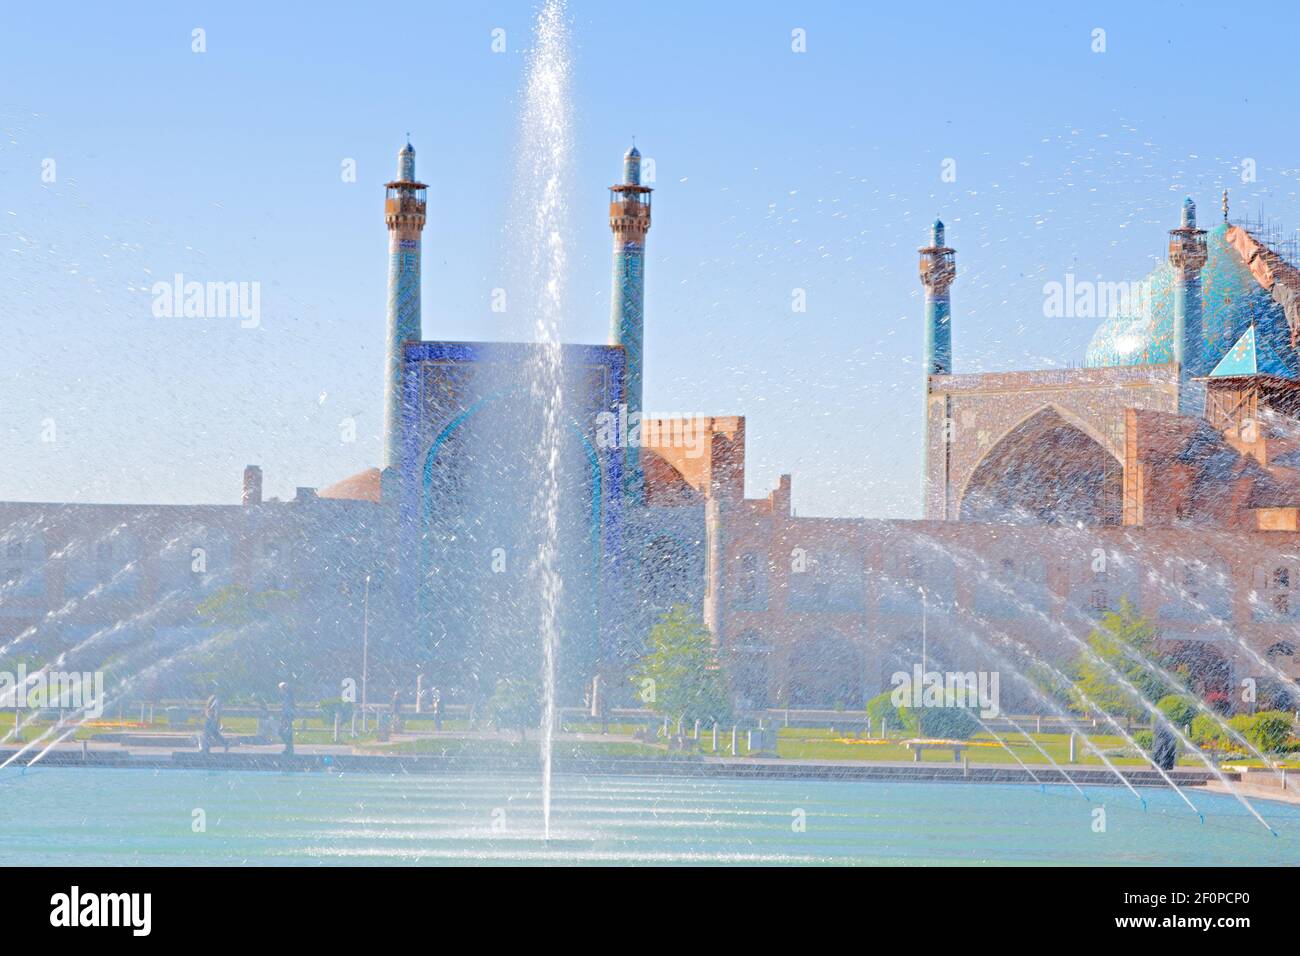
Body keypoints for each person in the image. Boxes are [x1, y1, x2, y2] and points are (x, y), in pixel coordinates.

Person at [278, 681, 295, 755]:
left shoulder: (287, 698)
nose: (280, 691)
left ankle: (289, 748)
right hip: (288, 717)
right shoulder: (288, 697)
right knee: (288, 733)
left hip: (287, 718)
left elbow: (287, 709)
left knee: (281, 732)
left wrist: (285, 719)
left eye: (280, 689)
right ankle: (289, 748)